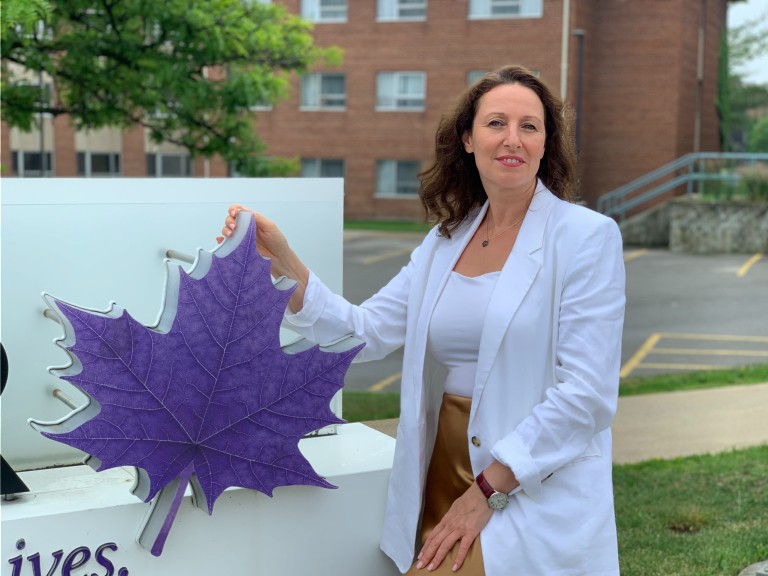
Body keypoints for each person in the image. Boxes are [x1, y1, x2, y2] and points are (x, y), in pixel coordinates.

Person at [218, 65, 626, 575]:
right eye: (496, 123)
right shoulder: (444, 242)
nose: (513, 139)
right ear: (468, 139)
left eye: (530, 126)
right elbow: (361, 335)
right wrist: (282, 260)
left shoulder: (586, 237)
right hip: (441, 468)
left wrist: (485, 490)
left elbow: (587, 396)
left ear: (547, 144)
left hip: (531, 478)